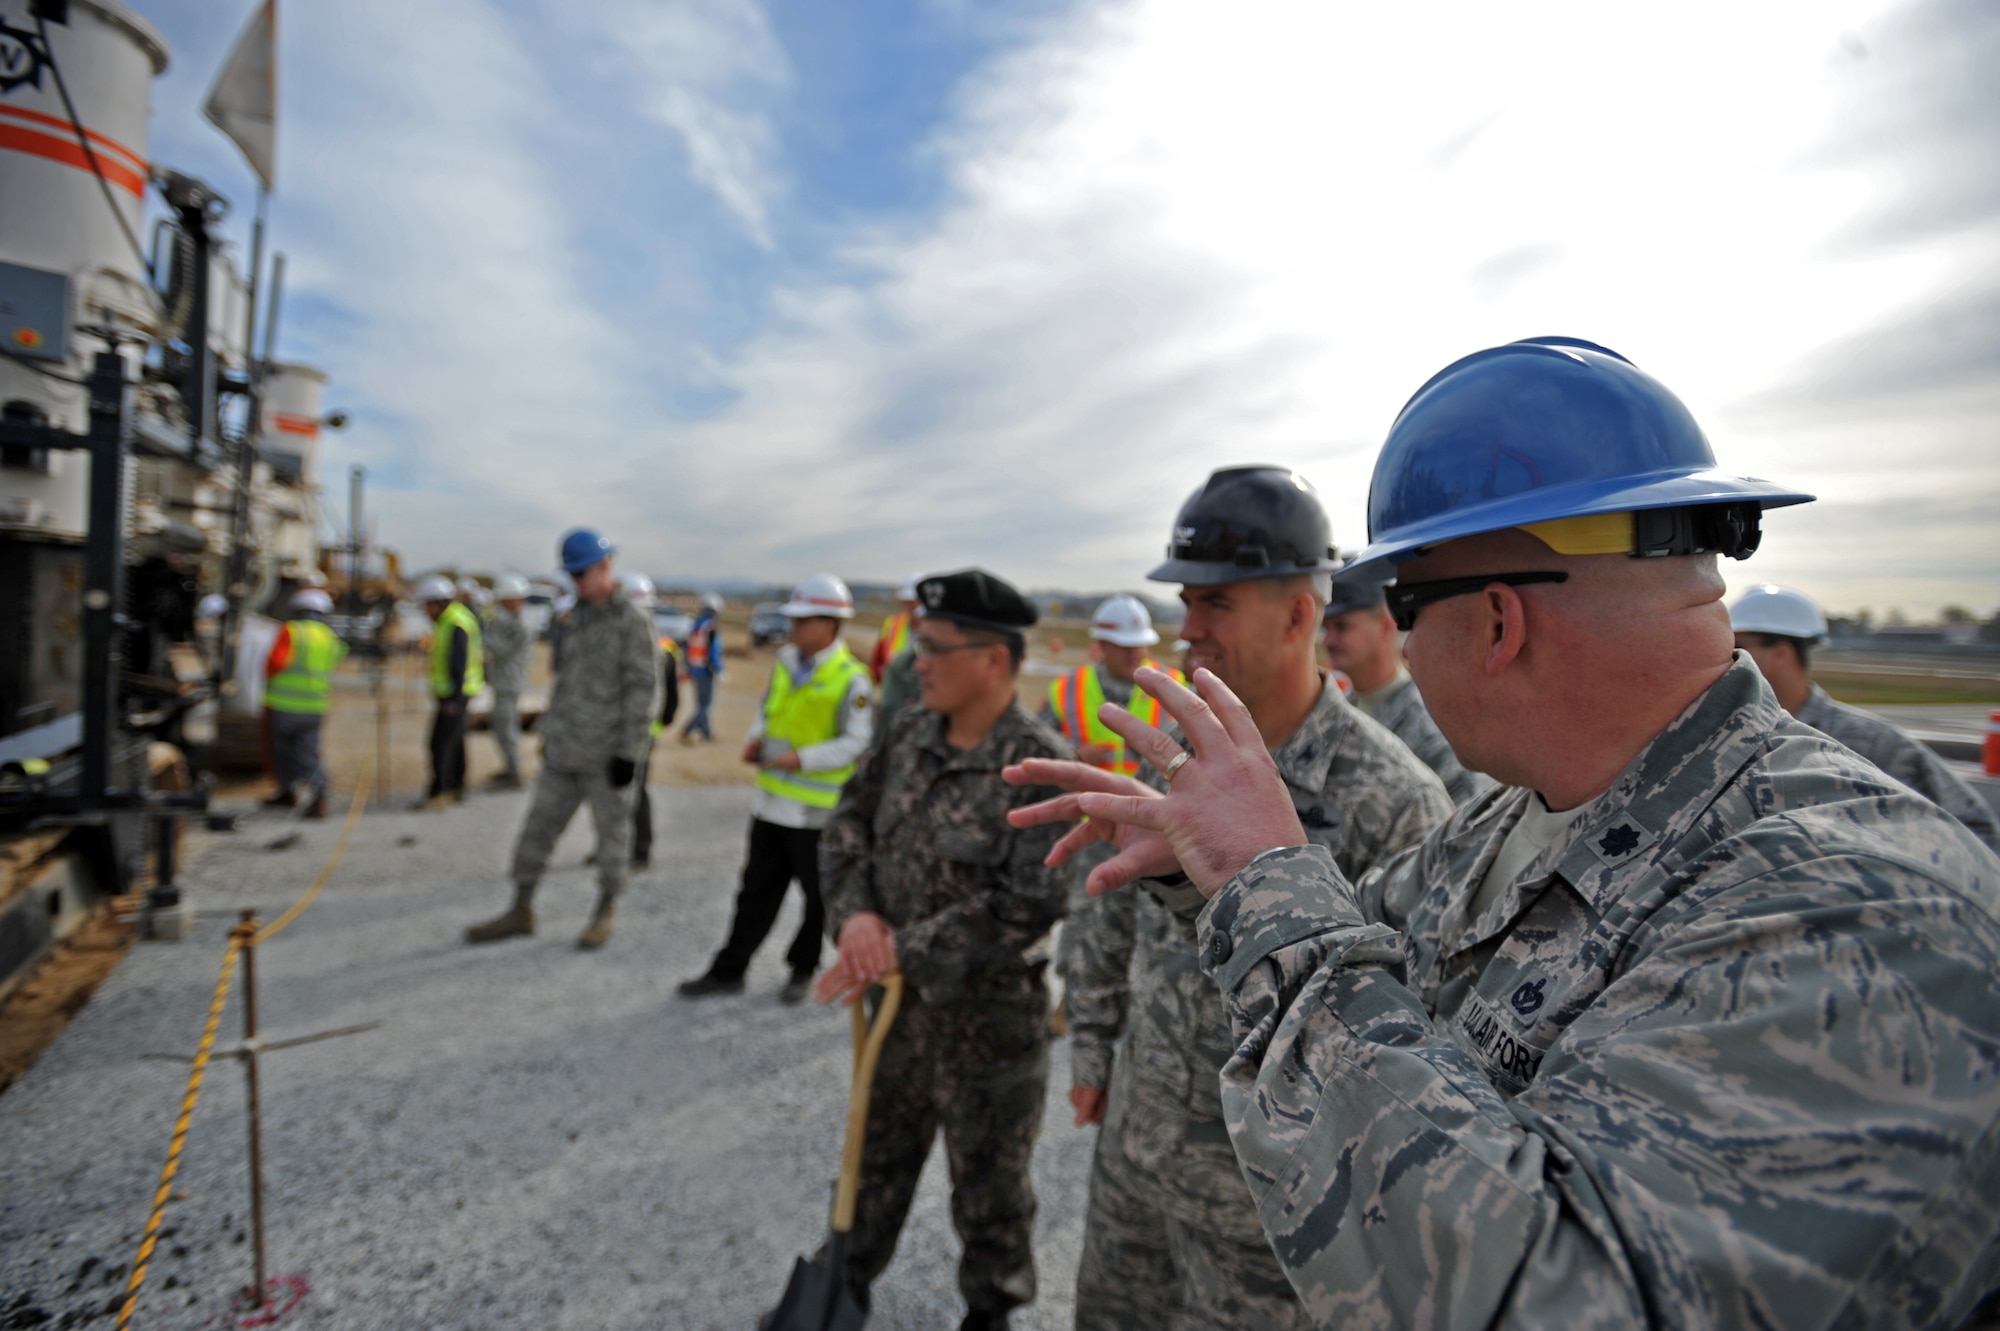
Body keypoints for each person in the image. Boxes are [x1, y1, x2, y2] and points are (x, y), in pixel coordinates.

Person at [1005, 337, 2000, 1329]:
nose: (1392, 642)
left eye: (1402, 603)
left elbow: (1560, 1299)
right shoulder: (1520, 820)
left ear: (1493, 622)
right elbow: (1368, 947)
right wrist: (1211, 879)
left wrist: (1266, 880)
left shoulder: (1856, 903)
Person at [1061, 469, 1454, 1331]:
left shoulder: (1394, 799)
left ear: (1300, 615)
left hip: (1269, 1218)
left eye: (1215, 605)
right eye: (1186, 603)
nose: (1188, 629)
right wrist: (1091, 1045)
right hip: (1135, 1159)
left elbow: (1416, 1032)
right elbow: (1106, 903)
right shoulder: (1173, 756)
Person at [814, 568, 1073, 1331]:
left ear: (993, 659)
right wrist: (856, 918)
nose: (915, 660)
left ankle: (991, 1311)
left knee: (991, 1191)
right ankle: (840, 1293)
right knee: (869, 1167)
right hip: (892, 1019)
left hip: (988, 1032)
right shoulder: (907, 731)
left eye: (933, 646)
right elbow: (846, 825)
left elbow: (1031, 903)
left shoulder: (1038, 766)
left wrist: (902, 948)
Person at [678, 574, 873, 1002]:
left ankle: (801, 970)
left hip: (815, 813)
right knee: (754, 893)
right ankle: (729, 970)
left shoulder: (851, 678)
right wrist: (756, 737)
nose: (793, 627)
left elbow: (856, 741)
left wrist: (799, 759)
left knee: (816, 900)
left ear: (829, 624)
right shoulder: (785, 662)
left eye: (803, 620)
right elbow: (770, 710)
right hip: (770, 804)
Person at [465, 528, 658, 950]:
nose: (576, 582)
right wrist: (550, 734)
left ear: (606, 567)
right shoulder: (574, 618)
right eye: (571, 575)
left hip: (608, 758)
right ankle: (521, 908)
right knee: (535, 833)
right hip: (565, 752)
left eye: (582, 573)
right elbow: (566, 682)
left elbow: (643, 692)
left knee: (612, 842)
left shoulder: (633, 623)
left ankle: (604, 910)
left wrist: (630, 752)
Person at [1730, 583, 1999, 851]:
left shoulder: (1868, 741)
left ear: (1781, 653)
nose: (1728, 656)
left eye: (1738, 645)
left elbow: (1975, 831)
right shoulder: (1730, 736)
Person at [1040, 595, 1182, 1034]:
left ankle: (1135, 1006)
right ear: (1100, 642)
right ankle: (1073, 996)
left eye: (1140, 645)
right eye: (1124, 646)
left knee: (1151, 921)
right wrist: (1072, 753)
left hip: (1153, 832)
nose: (1134, 654)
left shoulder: (1175, 686)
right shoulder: (1067, 691)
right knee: (1082, 916)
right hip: (1090, 830)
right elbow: (1037, 751)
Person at [1320, 571, 1493, 804]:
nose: (1329, 640)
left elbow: (1463, 819)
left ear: (1384, 625)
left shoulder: (1431, 723)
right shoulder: (1337, 712)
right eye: (1326, 628)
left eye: (1342, 627)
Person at [262, 587, 347, 819]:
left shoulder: (291, 631)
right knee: (307, 752)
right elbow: (339, 655)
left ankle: (294, 793)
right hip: (315, 707)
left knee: (283, 753)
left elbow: (274, 663)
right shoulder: (329, 636)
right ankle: (317, 797)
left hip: (284, 705)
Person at [617, 572, 680, 870]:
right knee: (618, 790)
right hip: (628, 729)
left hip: (638, 732)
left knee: (634, 789)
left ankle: (641, 850)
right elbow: (672, 703)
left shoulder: (653, 647)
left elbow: (670, 698)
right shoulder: (659, 645)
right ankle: (616, 846)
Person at [416, 574, 482, 811]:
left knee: (439, 744)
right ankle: (457, 787)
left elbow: (458, 662)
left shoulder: (454, 622)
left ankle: (439, 792)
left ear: (437, 603)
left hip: (455, 694)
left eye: (427, 605)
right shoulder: (452, 619)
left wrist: (453, 698)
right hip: (457, 692)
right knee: (455, 742)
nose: (425, 611)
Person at [483, 573, 534, 790]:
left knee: (506, 727)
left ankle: (514, 773)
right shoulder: (508, 622)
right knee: (502, 726)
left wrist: (485, 634)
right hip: (503, 681)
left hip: (509, 682)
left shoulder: (519, 626)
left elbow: (500, 649)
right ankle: (510, 767)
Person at [679, 591, 724, 744]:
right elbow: (713, 650)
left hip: (695, 668)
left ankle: (707, 733)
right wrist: (719, 668)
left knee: (701, 703)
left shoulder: (695, 625)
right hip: (706, 670)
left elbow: (687, 648)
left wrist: (687, 667)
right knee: (706, 705)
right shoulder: (710, 627)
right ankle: (688, 729)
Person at [867, 572, 921, 682]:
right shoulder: (892, 624)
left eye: (913, 602)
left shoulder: (936, 629)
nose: (910, 606)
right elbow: (877, 660)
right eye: (906, 602)